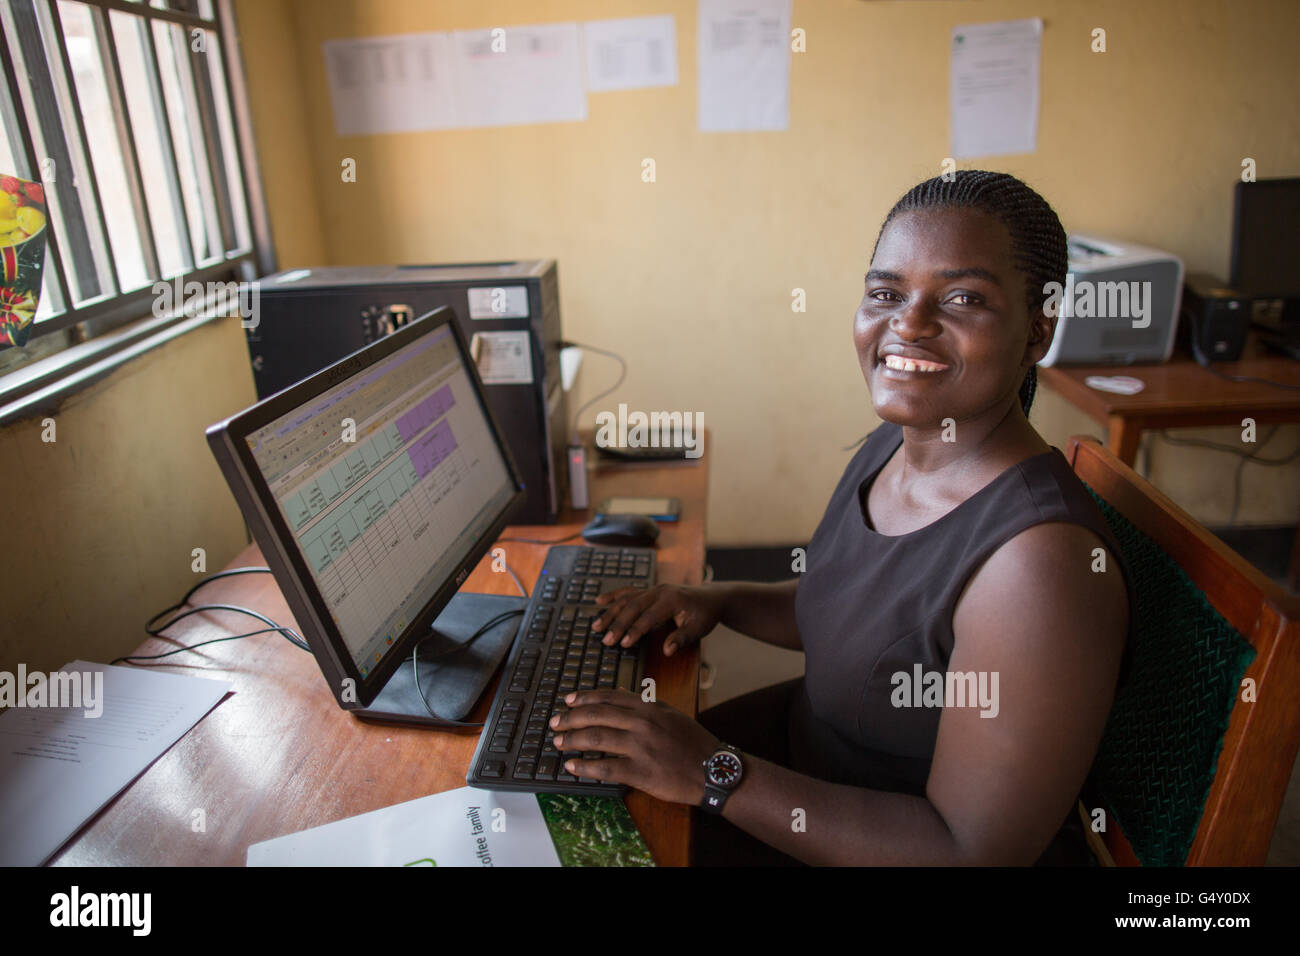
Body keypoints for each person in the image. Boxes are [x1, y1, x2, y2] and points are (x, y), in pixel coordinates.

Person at [548, 170, 1134, 865]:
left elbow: (968, 853)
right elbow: (858, 613)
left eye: (964, 298)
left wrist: (711, 771)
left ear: (1038, 330)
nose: (907, 324)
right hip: (804, 783)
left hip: (882, 844)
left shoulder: (1038, 565)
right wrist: (717, 599)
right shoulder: (894, 445)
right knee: (548, 795)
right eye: (886, 293)